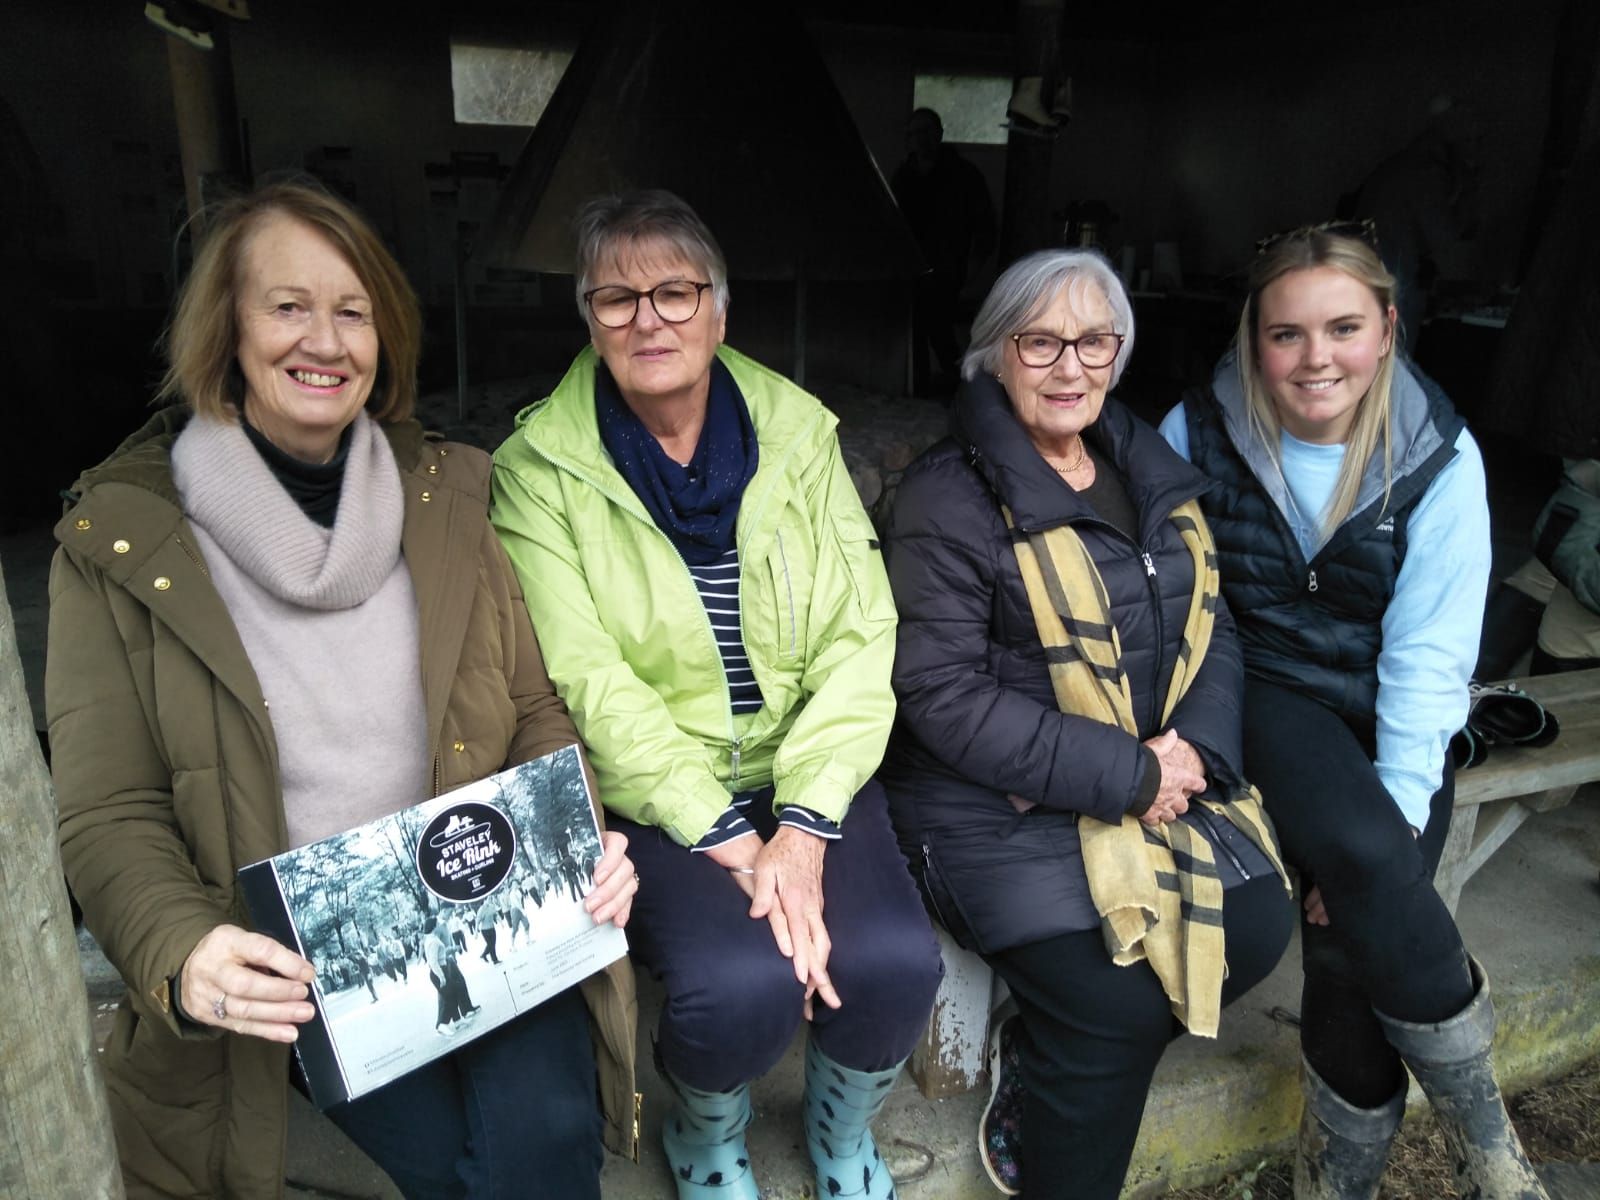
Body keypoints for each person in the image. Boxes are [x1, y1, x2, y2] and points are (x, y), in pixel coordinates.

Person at [47, 180, 639, 1200]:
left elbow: (535, 710)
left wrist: (571, 833)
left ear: (384, 336)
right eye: (287, 306)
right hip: (310, 956)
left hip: (483, 892)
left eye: (353, 311)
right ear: (226, 328)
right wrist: (183, 947)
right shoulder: (124, 543)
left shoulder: (449, 498)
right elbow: (110, 809)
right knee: (470, 1171)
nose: (324, 340)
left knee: (545, 1133)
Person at [491, 189, 943, 1200]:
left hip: (805, 764)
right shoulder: (538, 470)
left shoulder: (798, 435)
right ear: (589, 321)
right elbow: (586, 677)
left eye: (676, 292)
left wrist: (805, 827)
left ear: (720, 312)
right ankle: (705, 1134)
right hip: (657, 788)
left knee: (893, 964)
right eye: (616, 298)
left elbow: (860, 633)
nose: (648, 319)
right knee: (737, 987)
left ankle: (841, 1131)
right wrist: (730, 838)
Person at [880, 248, 1294, 1200]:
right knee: (1115, 996)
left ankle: (1043, 1050)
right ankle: (1058, 1090)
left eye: (1095, 341)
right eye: (1042, 342)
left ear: (1119, 351)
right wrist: (1132, 776)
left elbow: (1211, 623)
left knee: (1257, 923)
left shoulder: (1145, 467)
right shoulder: (950, 494)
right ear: (996, 353)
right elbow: (940, 693)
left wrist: (1193, 756)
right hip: (989, 805)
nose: (1071, 366)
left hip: (1151, 776)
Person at [1160, 224, 1548, 1198]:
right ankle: (1493, 1158)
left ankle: (1343, 1183)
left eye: (1342, 328)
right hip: (1266, 689)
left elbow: (1428, 658)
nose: (1315, 358)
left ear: (1387, 329)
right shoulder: (1196, 429)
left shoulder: (1437, 458)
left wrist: (1398, 809)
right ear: (1253, 338)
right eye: (1285, 333)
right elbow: (1159, 585)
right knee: (1370, 861)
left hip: (1393, 709)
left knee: (1351, 936)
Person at [891, 107, 997, 394]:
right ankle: (920, 390)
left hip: (948, 267)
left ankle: (963, 387)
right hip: (912, 267)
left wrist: (974, 266)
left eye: (926, 131)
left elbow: (985, 225)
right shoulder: (903, 176)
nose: (921, 139)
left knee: (939, 328)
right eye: (914, 133)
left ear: (939, 134)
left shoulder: (963, 175)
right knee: (915, 331)